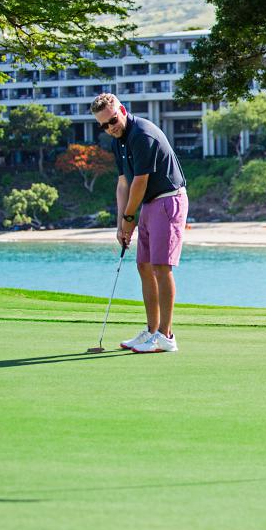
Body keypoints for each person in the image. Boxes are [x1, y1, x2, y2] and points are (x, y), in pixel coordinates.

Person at [91, 93, 188, 354]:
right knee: (144, 266)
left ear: (121, 110)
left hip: (168, 200)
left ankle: (165, 336)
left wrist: (129, 219)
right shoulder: (118, 142)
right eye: (103, 125)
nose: (110, 128)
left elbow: (140, 182)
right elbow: (123, 184)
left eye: (112, 120)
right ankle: (151, 331)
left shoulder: (141, 135)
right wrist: (121, 224)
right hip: (147, 203)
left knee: (160, 267)